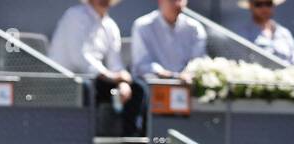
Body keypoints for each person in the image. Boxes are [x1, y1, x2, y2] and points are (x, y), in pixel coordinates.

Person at [48, 0, 145, 136]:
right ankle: (82, 142)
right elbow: (79, 58)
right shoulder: (74, 16)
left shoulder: (110, 26)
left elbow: (115, 63)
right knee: (86, 88)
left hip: (93, 80)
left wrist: (123, 82)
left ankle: (127, 141)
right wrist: (111, 76)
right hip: (63, 82)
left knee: (136, 89)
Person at [131, 0, 208, 82]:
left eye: (181, 0)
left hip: (188, 86)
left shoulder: (195, 28)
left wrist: (186, 75)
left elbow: (198, 61)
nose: (178, 4)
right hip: (153, 86)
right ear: (160, 1)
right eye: (172, 0)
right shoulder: (143, 26)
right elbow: (142, 65)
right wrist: (172, 76)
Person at [240, 0, 294, 66]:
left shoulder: (284, 32)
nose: (264, 8)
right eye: (258, 4)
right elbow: (242, 63)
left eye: (268, 4)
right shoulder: (243, 33)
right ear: (251, 6)